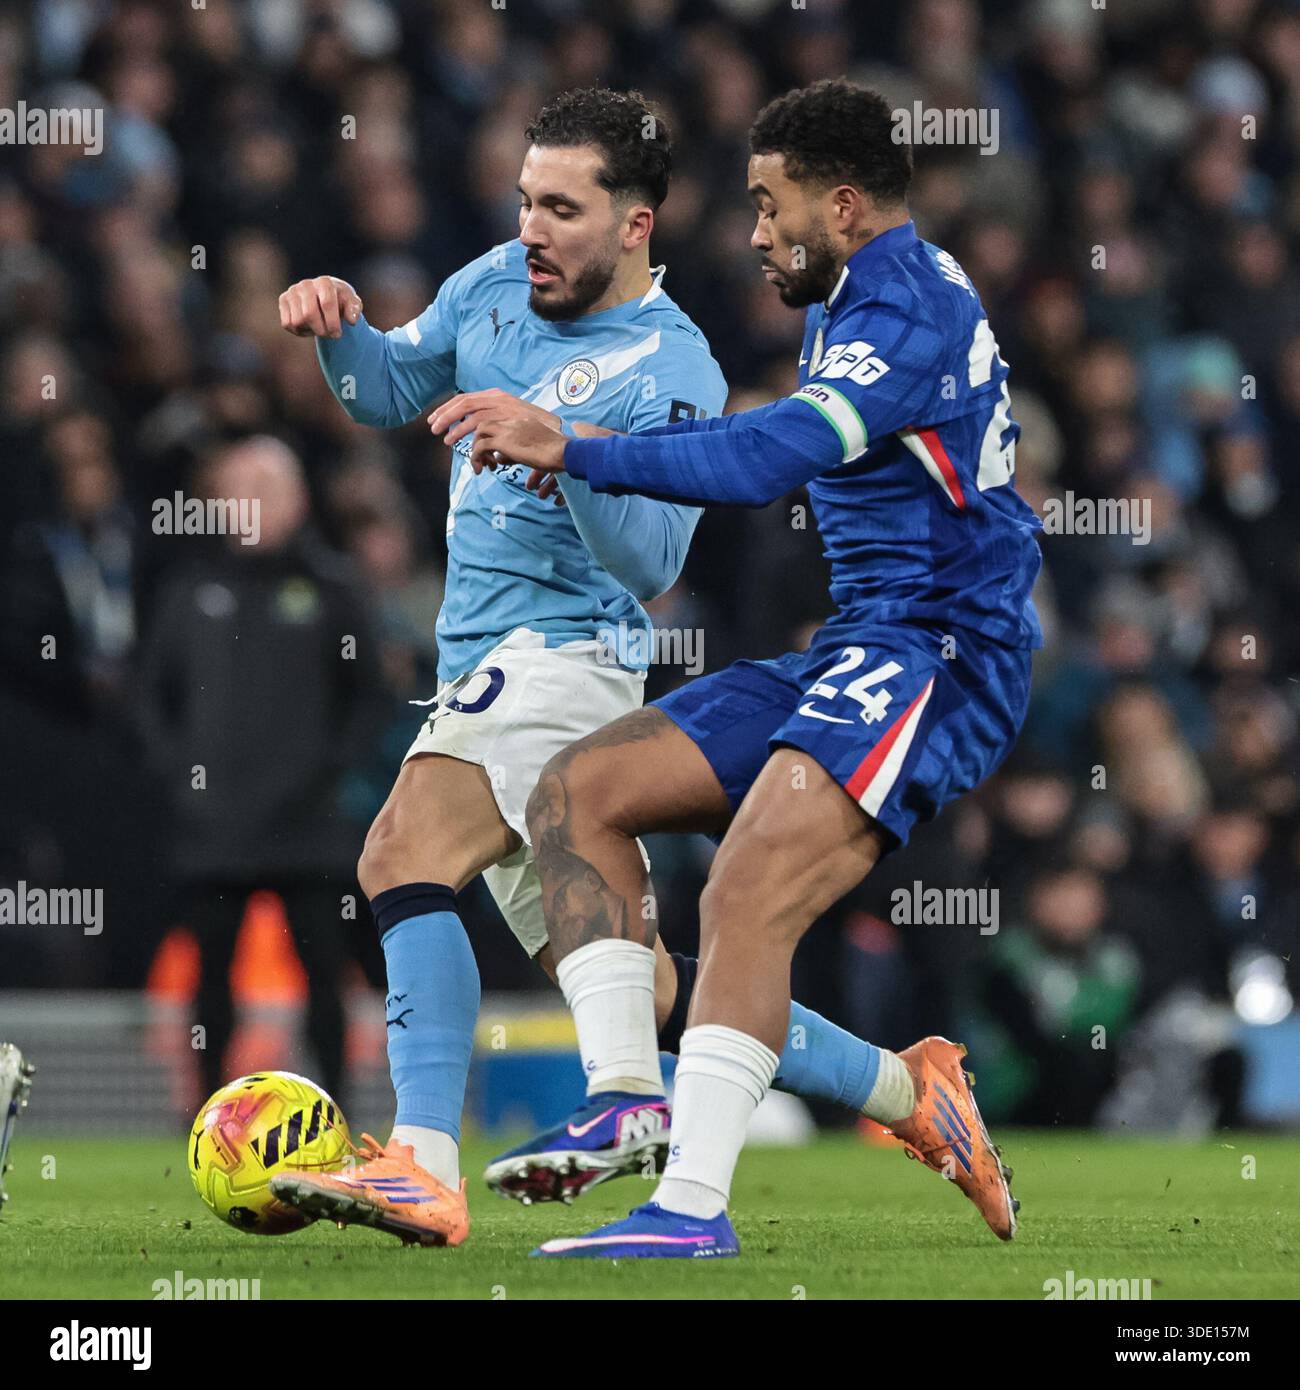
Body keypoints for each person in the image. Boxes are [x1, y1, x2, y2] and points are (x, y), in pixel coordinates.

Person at [268, 89, 917, 1249]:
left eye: (560, 208)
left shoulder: (671, 364)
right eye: (524, 200)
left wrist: (559, 450)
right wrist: (338, 334)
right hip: (479, 662)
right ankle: (908, 1093)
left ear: (633, 224)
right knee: (649, 985)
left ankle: (422, 1160)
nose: (530, 229)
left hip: (565, 658)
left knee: (401, 849)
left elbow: (649, 562)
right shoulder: (487, 288)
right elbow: (386, 390)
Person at [465, 79, 1042, 1259]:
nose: (755, 233)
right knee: (576, 794)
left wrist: (577, 444)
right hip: (858, 641)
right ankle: (630, 1094)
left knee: (743, 889)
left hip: (941, 649)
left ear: (840, 205)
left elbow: (771, 450)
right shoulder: (861, 300)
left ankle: (691, 1209)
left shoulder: (903, 314)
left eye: (769, 208)